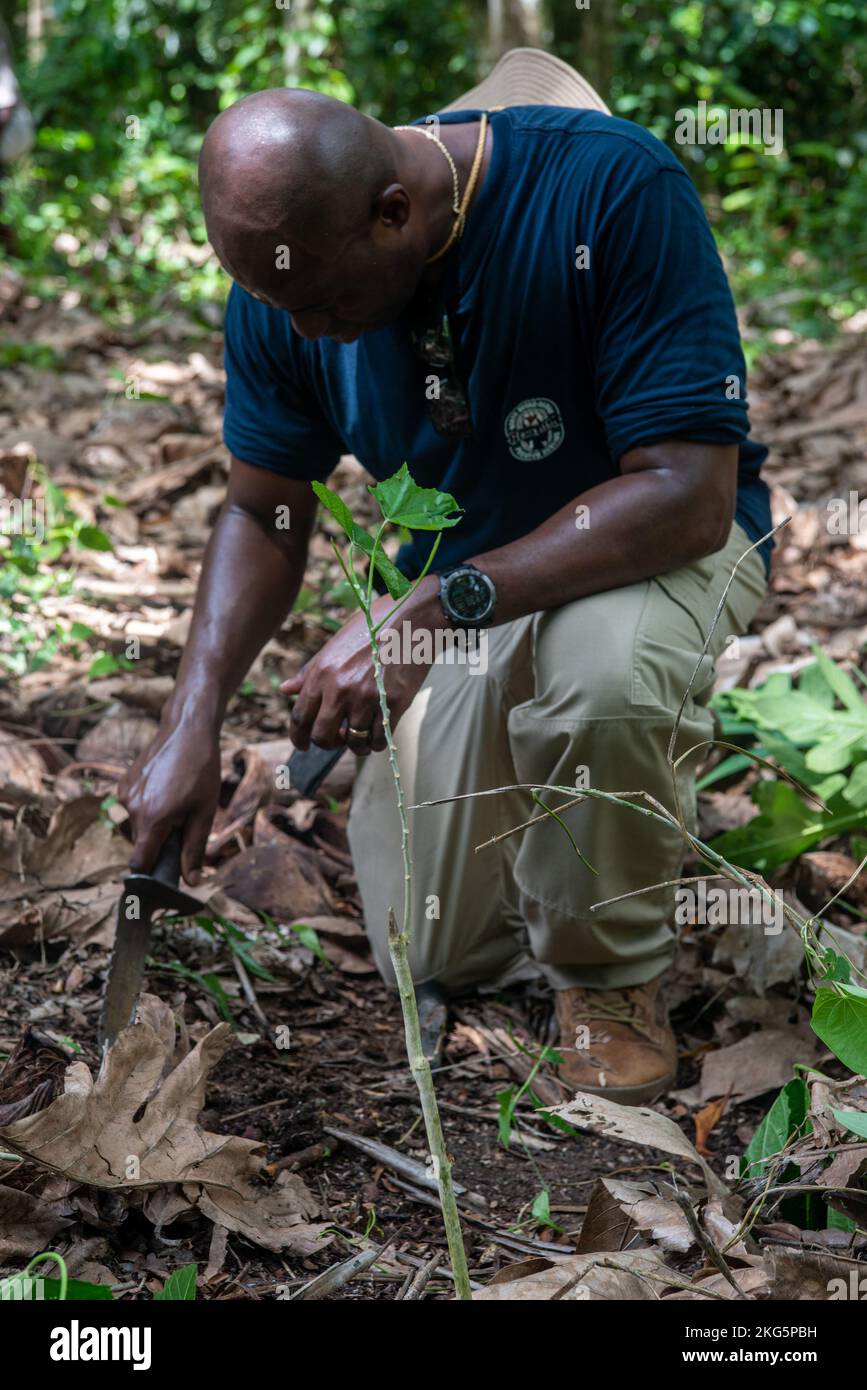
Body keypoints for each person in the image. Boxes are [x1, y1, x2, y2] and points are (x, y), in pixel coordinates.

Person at [120, 53, 770, 1105]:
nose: (299, 329)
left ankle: (610, 978)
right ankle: (592, 839)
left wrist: (436, 602)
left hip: (648, 543)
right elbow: (264, 505)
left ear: (393, 214)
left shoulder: (613, 189)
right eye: (269, 298)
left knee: (596, 676)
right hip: (471, 577)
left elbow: (687, 492)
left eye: (320, 301)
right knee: (430, 948)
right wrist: (191, 719)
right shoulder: (289, 277)